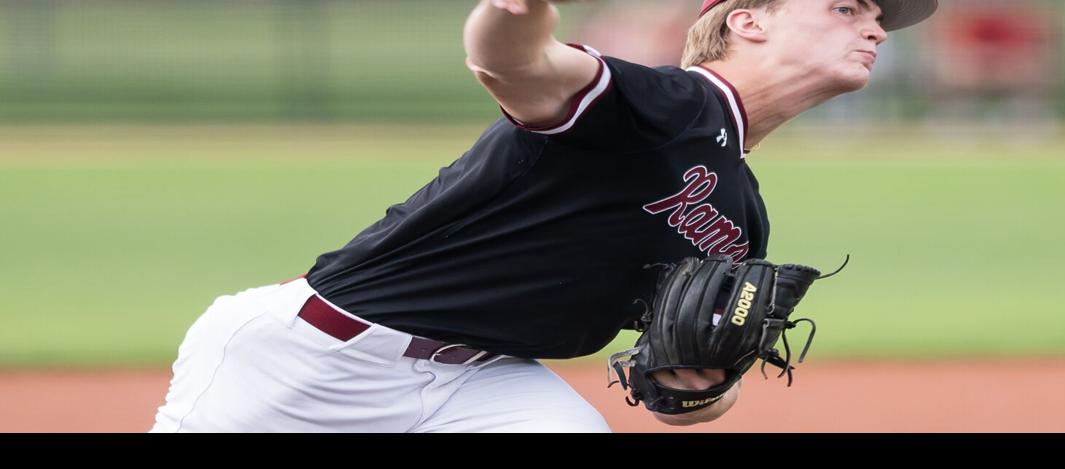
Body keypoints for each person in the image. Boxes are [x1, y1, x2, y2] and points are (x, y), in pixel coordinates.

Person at [150, 0, 938, 433]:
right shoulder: (659, 102)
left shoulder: (742, 214)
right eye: (846, 6)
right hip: (313, 361)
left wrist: (697, 385)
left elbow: (691, 390)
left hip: (482, 387)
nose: (873, 26)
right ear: (748, 19)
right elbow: (511, 61)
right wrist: (515, 8)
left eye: (876, 17)